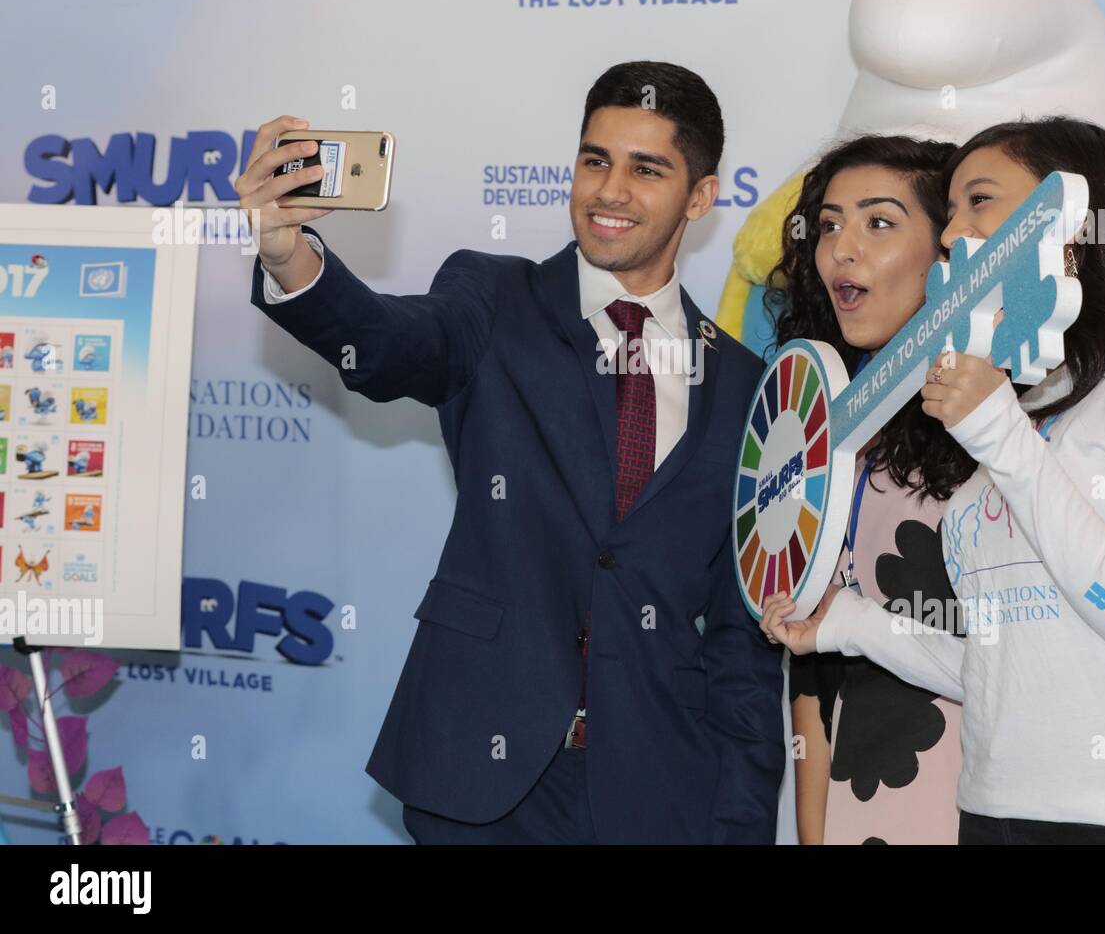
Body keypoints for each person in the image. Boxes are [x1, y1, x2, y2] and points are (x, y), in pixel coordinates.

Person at [237, 62, 785, 844]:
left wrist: (737, 823)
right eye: (594, 159)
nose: (610, 190)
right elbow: (391, 345)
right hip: (482, 791)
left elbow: (742, 642)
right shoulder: (495, 297)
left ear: (700, 197)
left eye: (646, 168)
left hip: (657, 792)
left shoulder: (741, 385)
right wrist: (292, 257)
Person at [762, 117, 1105, 845]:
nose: (953, 236)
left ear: (1075, 217)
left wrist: (998, 432)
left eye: (980, 201)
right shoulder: (1025, 400)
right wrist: (844, 623)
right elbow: (995, 662)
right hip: (988, 808)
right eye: (949, 213)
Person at [764, 135, 965, 844]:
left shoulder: (997, 419)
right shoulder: (812, 426)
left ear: (949, 250)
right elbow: (809, 666)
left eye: (879, 222)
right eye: (828, 225)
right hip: (853, 807)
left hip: (978, 797)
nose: (840, 249)